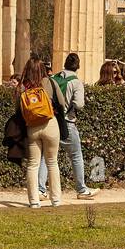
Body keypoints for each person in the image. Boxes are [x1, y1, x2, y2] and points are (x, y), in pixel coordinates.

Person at [39, 52, 96, 200]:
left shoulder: (53, 78)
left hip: (50, 121)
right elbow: (79, 104)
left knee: (47, 156)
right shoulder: (76, 82)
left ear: (64, 64)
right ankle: (81, 189)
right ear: (78, 66)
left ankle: (40, 189)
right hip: (67, 122)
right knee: (76, 156)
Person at [18, 57, 61, 208]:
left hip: (32, 127)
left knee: (33, 165)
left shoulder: (23, 87)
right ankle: (55, 199)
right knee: (52, 162)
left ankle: (34, 201)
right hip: (50, 123)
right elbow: (62, 103)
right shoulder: (50, 82)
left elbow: (19, 110)